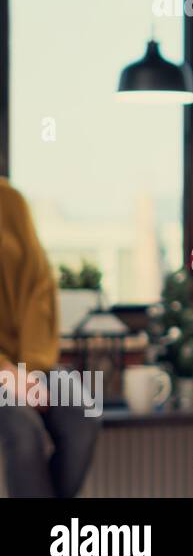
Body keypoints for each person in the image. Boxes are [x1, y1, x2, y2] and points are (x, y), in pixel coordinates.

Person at [0, 178, 101, 497]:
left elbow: (38, 286)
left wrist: (29, 371)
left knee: (84, 411)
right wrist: (8, 375)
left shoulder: (9, 199)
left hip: (26, 362)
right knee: (23, 428)